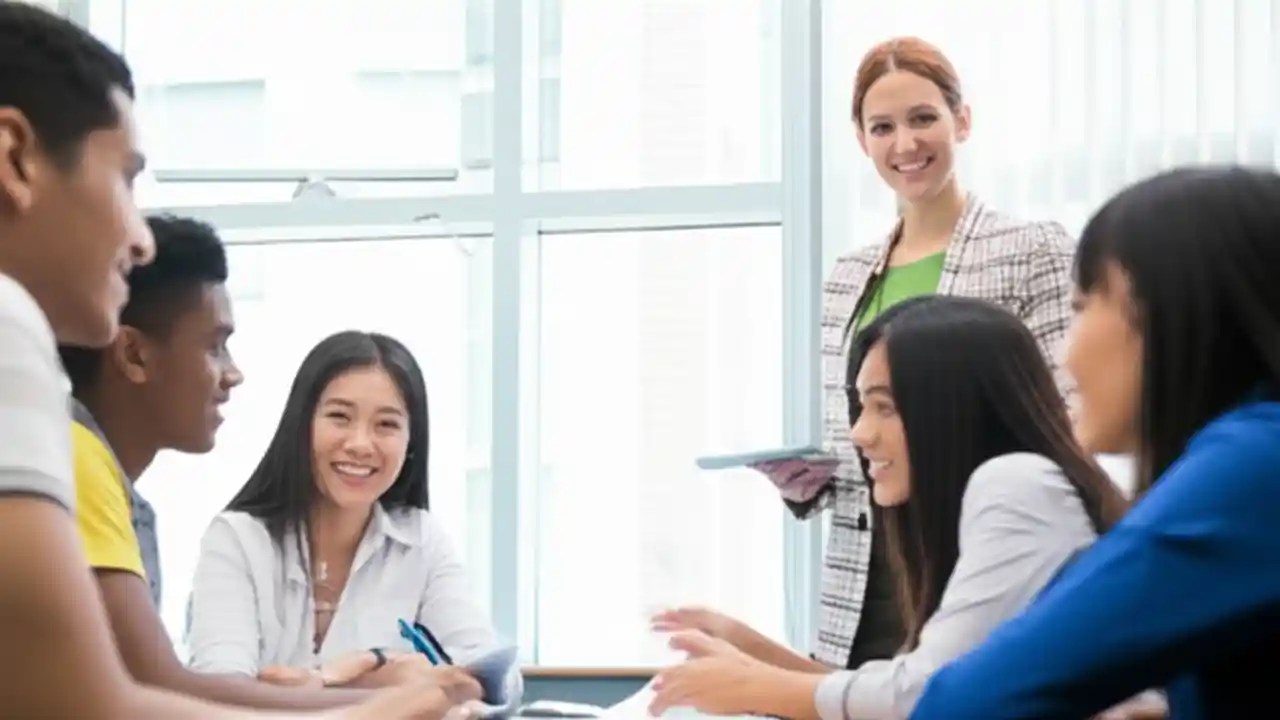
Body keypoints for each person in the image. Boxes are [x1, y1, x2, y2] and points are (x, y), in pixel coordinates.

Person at [0, 3, 453, 718]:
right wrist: (371, 710)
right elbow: (95, 700)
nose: (137, 236)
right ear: (14, 157)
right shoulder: (14, 345)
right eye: (124, 178)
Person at [654, 35, 1078, 677]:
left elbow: (1064, 421)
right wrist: (807, 480)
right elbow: (860, 429)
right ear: (862, 140)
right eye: (883, 127)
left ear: (962, 120)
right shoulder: (850, 276)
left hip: (974, 547)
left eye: (923, 118)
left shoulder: (1030, 250)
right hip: (867, 568)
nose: (904, 144)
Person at [57, 214, 482, 710]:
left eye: (387, 425)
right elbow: (162, 687)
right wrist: (381, 698)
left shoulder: (104, 479)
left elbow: (483, 670)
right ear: (133, 353)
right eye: (215, 346)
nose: (233, 373)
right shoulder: (76, 461)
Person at [909, 166, 1280, 718]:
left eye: (1083, 307)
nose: (1066, 354)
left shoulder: (1254, 466)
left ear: (1165, 305)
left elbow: (964, 704)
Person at [647, 297, 1126, 719]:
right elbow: (896, 689)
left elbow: (918, 696)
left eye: (885, 408)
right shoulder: (1014, 490)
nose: (859, 434)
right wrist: (747, 648)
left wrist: (755, 685)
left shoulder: (1018, 483)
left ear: (952, 408)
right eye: (862, 407)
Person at [188, 330, 519, 700]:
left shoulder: (421, 540)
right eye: (340, 417)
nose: (361, 444)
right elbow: (222, 695)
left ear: (411, 441)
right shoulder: (236, 539)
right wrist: (392, 682)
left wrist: (366, 664)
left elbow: (496, 679)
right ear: (303, 425)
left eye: (387, 424)